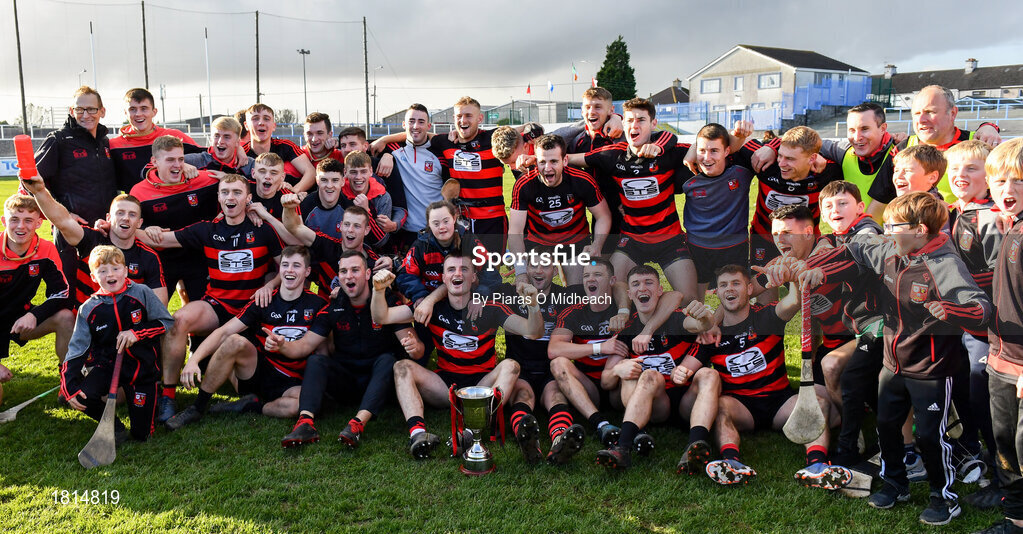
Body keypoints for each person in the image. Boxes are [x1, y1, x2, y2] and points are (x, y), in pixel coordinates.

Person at [803, 192, 992, 525]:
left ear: (919, 230)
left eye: (893, 226)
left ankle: (943, 497)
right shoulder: (892, 249)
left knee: (931, 438)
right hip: (892, 364)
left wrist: (950, 309)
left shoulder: (944, 264)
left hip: (933, 370)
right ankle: (895, 483)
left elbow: (980, 308)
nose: (885, 232)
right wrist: (811, 269)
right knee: (887, 426)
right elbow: (858, 249)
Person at [138, 173, 285, 424]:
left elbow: (287, 268)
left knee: (247, 387)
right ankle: (168, 396)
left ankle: (238, 395)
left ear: (248, 198)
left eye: (237, 192)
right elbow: (163, 239)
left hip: (253, 310)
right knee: (178, 320)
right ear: (218, 197)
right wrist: (133, 229)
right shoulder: (207, 229)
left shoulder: (263, 229)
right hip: (217, 305)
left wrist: (268, 286)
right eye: (225, 192)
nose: (230, 197)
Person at [371, 252, 542, 459]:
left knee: (511, 366)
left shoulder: (491, 309)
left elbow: (533, 332)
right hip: (445, 387)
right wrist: (378, 291)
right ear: (443, 278)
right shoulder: (431, 307)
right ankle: (418, 434)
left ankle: (472, 432)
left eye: (464, 269)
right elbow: (382, 316)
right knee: (401, 366)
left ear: (473, 277)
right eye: (451, 269)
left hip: (482, 386)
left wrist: (533, 306)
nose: (457, 274)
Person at [700, 265, 850, 491]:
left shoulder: (766, 316)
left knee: (818, 404)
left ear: (749, 289)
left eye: (736, 283)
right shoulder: (712, 334)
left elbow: (793, 302)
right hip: (741, 406)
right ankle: (731, 462)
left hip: (779, 401)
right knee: (718, 406)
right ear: (717, 293)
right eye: (723, 285)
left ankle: (816, 465)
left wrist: (792, 279)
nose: (729, 289)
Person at [164, 246, 328, 429]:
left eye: (296, 266)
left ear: (307, 271)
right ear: (279, 269)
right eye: (285, 265)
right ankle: (197, 407)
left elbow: (322, 352)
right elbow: (224, 331)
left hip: (293, 381)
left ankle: (252, 406)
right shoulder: (263, 300)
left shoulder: (318, 305)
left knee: (299, 406)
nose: (289, 270)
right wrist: (194, 360)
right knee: (234, 341)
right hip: (259, 371)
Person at [279, 250, 422, 449]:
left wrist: (414, 347)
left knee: (388, 360)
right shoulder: (333, 307)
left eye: (355, 270)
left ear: (367, 274)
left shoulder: (387, 301)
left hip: (380, 383)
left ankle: (357, 424)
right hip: (347, 383)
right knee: (316, 360)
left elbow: (418, 350)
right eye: (344, 271)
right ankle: (305, 423)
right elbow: (304, 346)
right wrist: (281, 345)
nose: (349, 276)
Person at [567, 98, 699, 304]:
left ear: (653, 124)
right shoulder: (613, 156)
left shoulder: (670, 152)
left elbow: (704, 142)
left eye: (641, 120)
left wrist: (678, 147)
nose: (634, 126)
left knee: (690, 301)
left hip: (670, 240)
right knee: (607, 296)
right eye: (629, 120)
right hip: (632, 241)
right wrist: (534, 160)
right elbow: (572, 158)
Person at [595, 265, 720, 472]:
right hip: (655, 405)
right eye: (636, 284)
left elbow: (700, 325)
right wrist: (618, 369)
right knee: (646, 374)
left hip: (685, 401)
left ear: (660, 290)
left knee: (710, 373)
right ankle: (623, 448)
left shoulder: (676, 318)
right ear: (630, 294)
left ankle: (695, 447)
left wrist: (705, 317)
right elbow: (606, 381)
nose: (642, 288)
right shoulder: (627, 329)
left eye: (649, 283)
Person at [60, 246, 172, 442]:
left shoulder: (141, 292)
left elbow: (166, 322)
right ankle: (113, 425)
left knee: (142, 435)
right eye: (102, 271)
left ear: (126, 271)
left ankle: (148, 406)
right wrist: (68, 385)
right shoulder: (89, 309)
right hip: (108, 366)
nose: (110, 275)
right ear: (94, 277)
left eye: (115, 268)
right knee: (80, 396)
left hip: (141, 370)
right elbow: (77, 350)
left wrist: (137, 333)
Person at [815, 180, 883, 468]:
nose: (835, 210)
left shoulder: (867, 231)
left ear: (860, 207)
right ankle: (855, 436)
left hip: (882, 327)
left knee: (838, 369)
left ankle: (851, 446)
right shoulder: (835, 237)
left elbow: (855, 253)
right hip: (861, 330)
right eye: (828, 205)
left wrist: (813, 267)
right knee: (838, 371)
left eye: (843, 203)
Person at [21, 174, 167, 306]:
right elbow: (63, 221)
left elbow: (159, 306)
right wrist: (39, 191)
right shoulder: (91, 239)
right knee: (66, 319)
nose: (126, 218)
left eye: (132, 214)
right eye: (120, 213)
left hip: (129, 329)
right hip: (89, 325)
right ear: (109, 218)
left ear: (140, 223)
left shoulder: (148, 256)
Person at [979, 137, 1023, 534]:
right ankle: (1015, 518)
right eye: (999, 180)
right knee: (1004, 441)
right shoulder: (1009, 227)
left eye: (1018, 181)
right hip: (1002, 358)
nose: (1007, 190)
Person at [0, 195, 74, 405]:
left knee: (65, 317)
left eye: (28, 220)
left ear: (39, 223)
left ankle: (68, 380)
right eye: (14, 219)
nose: (20, 226)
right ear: (4, 221)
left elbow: (62, 292)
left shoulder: (46, 249)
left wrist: (35, 314)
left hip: (20, 320)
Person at [509, 134, 611, 285]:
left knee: (576, 293)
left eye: (554, 161)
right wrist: (520, 271)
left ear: (565, 161)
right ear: (535, 162)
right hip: (538, 244)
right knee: (533, 294)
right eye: (542, 162)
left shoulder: (582, 180)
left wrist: (597, 245)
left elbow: (603, 216)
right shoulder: (524, 183)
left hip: (574, 242)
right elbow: (515, 231)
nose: (547, 168)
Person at [131, 135, 220, 304]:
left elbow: (237, 182)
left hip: (198, 259)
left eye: (180, 159)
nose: (177, 165)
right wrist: (146, 229)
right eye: (170, 160)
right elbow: (128, 225)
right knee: (155, 312)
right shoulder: (139, 191)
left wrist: (224, 176)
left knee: (200, 314)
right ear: (154, 162)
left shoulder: (202, 179)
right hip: (162, 261)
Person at [893, 85, 1001, 203]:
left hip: (971, 220)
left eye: (930, 112)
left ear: (953, 113)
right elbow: (881, 199)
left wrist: (989, 126)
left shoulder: (980, 145)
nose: (921, 120)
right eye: (917, 113)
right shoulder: (901, 148)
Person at [683, 123, 755, 297]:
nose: (707, 158)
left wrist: (740, 135)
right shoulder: (687, 171)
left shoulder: (741, 168)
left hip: (734, 246)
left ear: (727, 151)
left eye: (714, 150)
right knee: (696, 298)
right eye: (702, 150)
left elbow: (764, 145)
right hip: (697, 246)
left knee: (735, 296)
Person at [376, 104, 444, 248]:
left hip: (436, 231)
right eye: (411, 121)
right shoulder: (393, 149)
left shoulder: (441, 152)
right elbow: (364, 149)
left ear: (429, 126)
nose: (415, 126)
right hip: (406, 233)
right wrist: (387, 155)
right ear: (404, 124)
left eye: (421, 122)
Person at [109, 87, 201, 191]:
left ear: (154, 112)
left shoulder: (175, 136)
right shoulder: (114, 146)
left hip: (171, 202)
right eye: (132, 109)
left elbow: (209, 157)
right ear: (125, 112)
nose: (138, 114)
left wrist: (181, 165)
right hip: (135, 204)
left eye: (144, 108)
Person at [243, 103, 316, 191]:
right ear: (246, 125)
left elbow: (310, 172)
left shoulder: (285, 146)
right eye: (255, 118)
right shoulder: (242, 154)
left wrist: (293, 192)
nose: (261, 122)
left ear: (274, 126)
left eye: (266, 119)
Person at [340, 151, 405, 248]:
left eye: (363, 171)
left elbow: (381, 241)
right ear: (345, 172)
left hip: (371, 252)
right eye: (353, 172)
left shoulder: (382, 197)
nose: (358, 177)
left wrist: (366, 211)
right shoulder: (339, 192)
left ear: (371, 171)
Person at [184, 116, 254, 175]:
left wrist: (228, 179)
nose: (221, 141)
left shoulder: (249, 165)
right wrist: (181, 165)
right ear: (211, 139)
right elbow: (174, 161)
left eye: (227, 137)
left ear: (237, 142)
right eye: (216, 136)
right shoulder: (198, 161)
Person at [249, 152, 294, 220]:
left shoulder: (288, 197)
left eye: (273, 173)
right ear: (253, 173)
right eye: (262, 171)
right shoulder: (243, 188)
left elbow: (296, 229)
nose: (267, 177)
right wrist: (246, 209)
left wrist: (266, 216)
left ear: (282, 177)